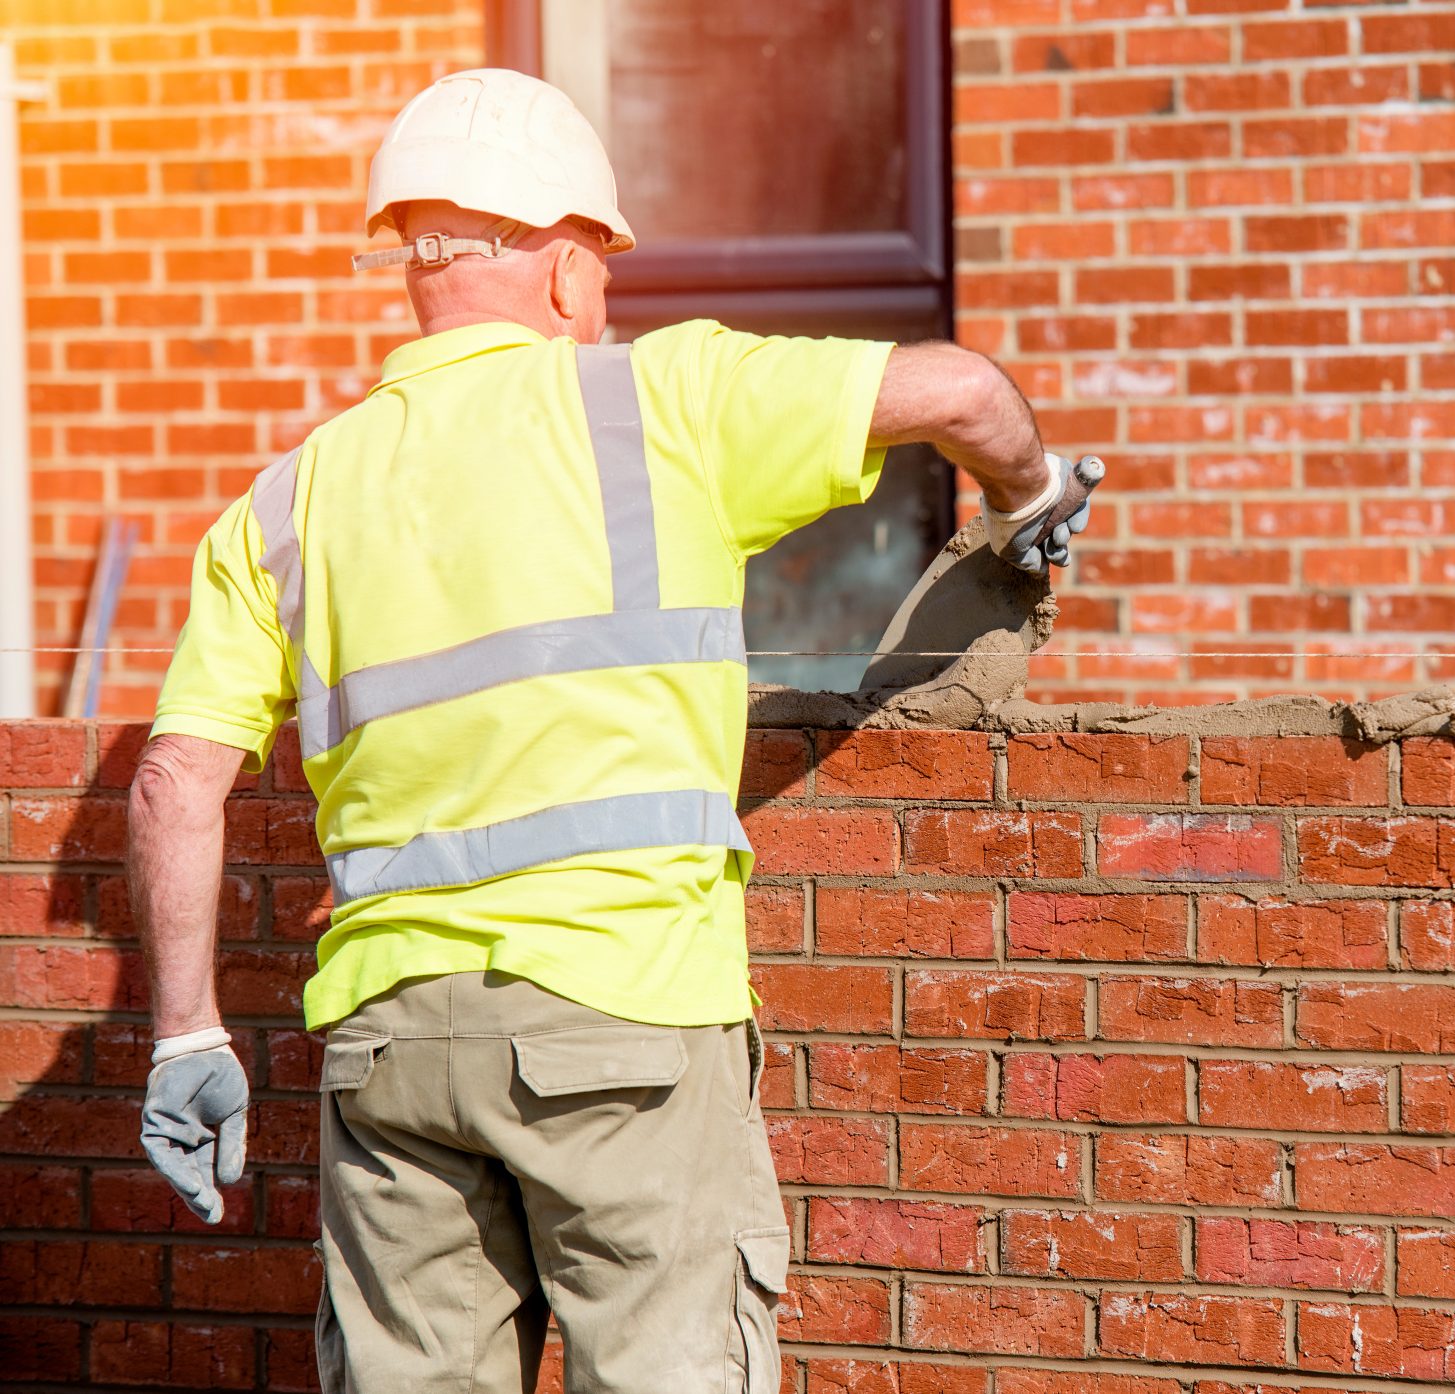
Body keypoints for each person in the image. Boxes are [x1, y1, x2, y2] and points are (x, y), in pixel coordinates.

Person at [128, 68, 1103, 1394]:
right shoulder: (662, 402)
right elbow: (964, 392)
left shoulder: (289, 502)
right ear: (566, 265)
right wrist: (1031, 495)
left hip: (391, 1048)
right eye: (603, 266)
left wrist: (186, 1032)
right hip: (628, 1016)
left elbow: (177, 773)